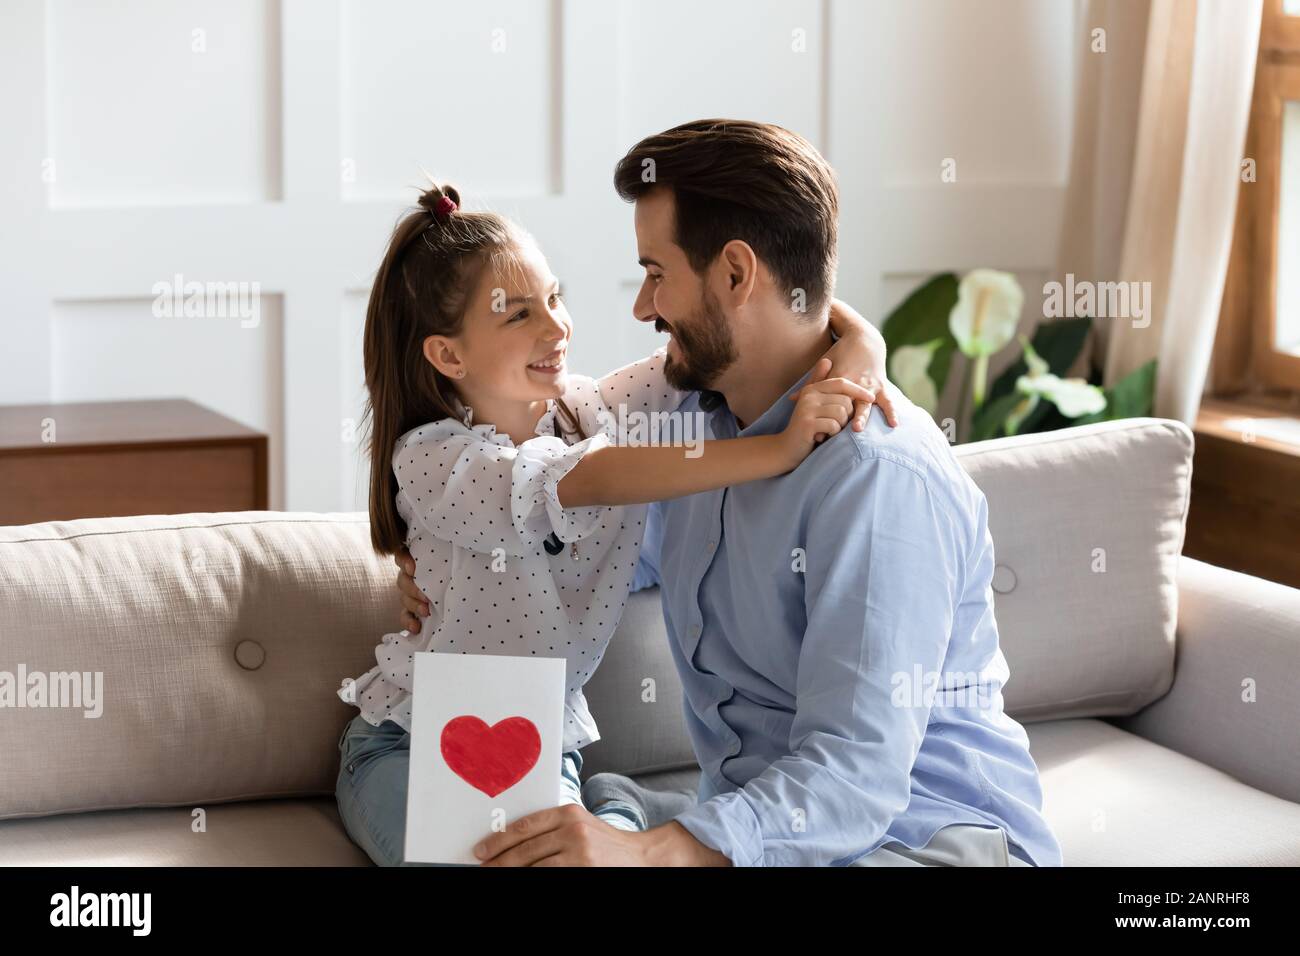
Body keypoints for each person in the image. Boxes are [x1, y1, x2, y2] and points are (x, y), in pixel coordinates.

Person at [403, 120, 1064, 867]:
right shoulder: (689, 430)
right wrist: (447, 573)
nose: (642, 307)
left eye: (656, 273)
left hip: (921, 842)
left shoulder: (877, 477)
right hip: (763, 828)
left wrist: (650, 855)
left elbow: (856, 775)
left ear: (737, 275)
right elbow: (587, 542)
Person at [335, 180, 895, 866]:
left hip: (536, 742)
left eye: (555, 297)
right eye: (517, 315)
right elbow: (585, 480)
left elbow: (753, 326)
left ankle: (623, 809)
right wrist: (774, 451)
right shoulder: (433, 461)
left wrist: (862, 340)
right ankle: (621, 807)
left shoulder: (589, 407)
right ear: (448, 356)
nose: (556, 326)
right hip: (410, 741)